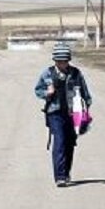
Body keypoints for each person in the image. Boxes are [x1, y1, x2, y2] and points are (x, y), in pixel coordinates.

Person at [34, 43, 92, 188]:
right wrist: (47, 93)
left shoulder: (76, 73)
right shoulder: (47, 74)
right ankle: (59, 176)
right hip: (55, 113)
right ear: (54, 60)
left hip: (74, 114)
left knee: (69, 144)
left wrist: (87, 107)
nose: (62, 63)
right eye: (59, 61)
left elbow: (85, 92)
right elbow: (37, 90)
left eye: (64, 61)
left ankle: (66, 173)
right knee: (59, 142)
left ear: (68, 60)